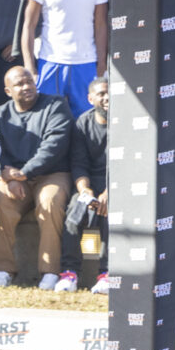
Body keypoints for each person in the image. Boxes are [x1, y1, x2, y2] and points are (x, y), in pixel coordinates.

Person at [0, 66, 77, 290]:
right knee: (0, 197)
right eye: (19, 84)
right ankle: (4, 269)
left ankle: (49, 272)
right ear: (8, 91)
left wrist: (24, 172)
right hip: (14, 178)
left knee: (50, 201)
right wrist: (5, 175)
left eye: (29, 81)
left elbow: (53, 146)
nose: (27, 86)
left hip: (52, 173)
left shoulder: (55, 104)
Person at [18, 0, 108, 116]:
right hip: (51, 61)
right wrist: (30, 67)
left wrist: (101, 64)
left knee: (87, 118)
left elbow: (100, 26)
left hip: (86, 62)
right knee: (47, 117)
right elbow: (28, 25)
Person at [68, 76, 109, 295]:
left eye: (109, 92)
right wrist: (85, 190)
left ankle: (107, 274)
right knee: (75, 212)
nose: (107, 97)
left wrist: (109, 193)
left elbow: (131, 163)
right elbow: (78, 163)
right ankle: (69, 272)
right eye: (101, 94)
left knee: (111, 214)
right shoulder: (82, 123)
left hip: (120, 184)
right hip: (90, 183)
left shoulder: (127, 120)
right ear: (90, 98)